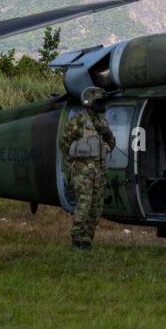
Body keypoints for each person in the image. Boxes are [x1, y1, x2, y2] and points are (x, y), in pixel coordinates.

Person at [60, 87, 116, 250]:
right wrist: (72, 162)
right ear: (90, 103)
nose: (102, 105)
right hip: (82, 170)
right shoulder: (78, 121)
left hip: (99, 170)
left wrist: (105, 142)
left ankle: (88, 239)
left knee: (96, 207)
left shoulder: (102, 122)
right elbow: (64, 143)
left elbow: (111, 143)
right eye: (99, 102)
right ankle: (77, 238)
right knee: (84, 204)